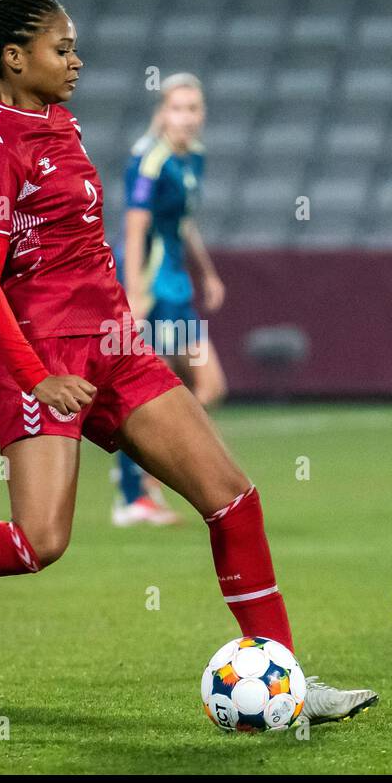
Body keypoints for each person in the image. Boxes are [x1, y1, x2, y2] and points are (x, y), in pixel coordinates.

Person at [0, 0, 376, 724]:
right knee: (38, 541)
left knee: (234, 501)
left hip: (116, 346)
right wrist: (34, 372)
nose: (76, 61)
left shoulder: (63, 125)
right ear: (16, 58)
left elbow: (45, 251)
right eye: (61, 48)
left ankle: (293, 690)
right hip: (46, 362)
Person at [112, 73, 228, 527]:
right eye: (176, 108)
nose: (184, 118)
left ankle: (146, 467)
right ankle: (135, 492)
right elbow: (135, 228)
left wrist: (208, 272)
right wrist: (133, 297)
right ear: (162, 113)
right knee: (149, 392)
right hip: (153, 288)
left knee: (205, 388)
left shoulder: (193, 157)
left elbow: (183, 220)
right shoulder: (150, 161)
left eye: (192, 109)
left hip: (176, 283)